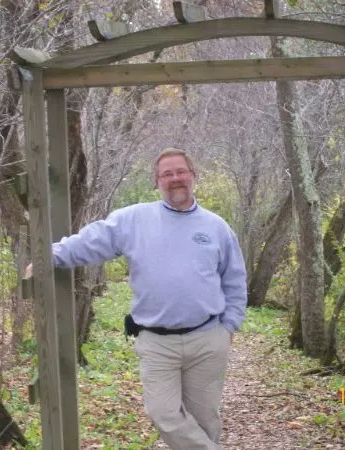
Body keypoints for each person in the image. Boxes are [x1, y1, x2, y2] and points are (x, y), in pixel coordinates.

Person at [28, 147, 247, 449]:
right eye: (166, 174)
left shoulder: (216, 227)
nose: (175, 179)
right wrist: (48, 256)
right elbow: (91, 242)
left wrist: (230, 325)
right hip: (157, 342)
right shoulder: (134, 220)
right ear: (156, 182)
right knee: (163, 414)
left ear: (193, 176)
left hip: (207, 338)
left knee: (205, 418)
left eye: (180, 171)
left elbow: (234, 279)